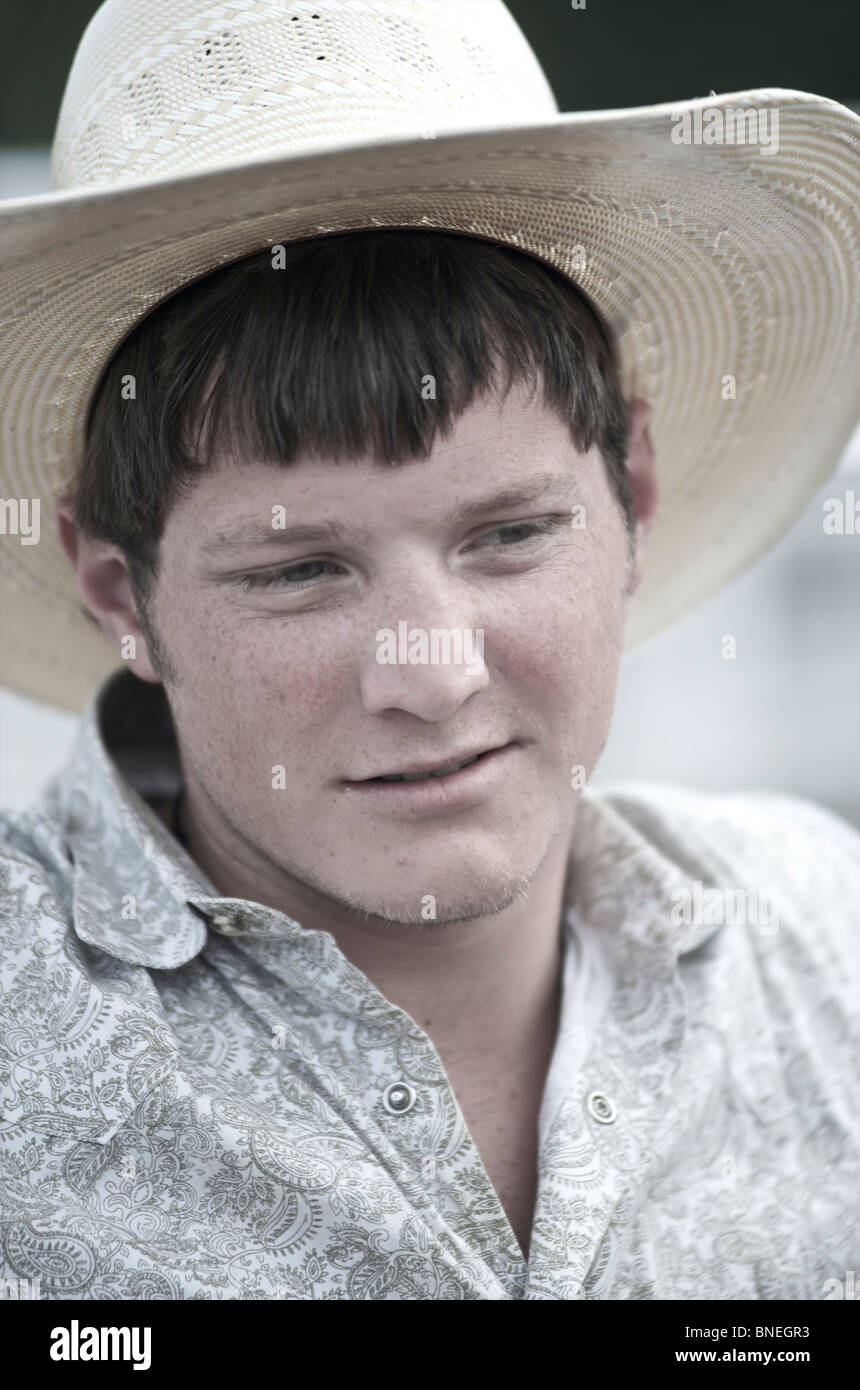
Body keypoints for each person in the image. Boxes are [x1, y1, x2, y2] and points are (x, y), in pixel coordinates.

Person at [0, 0, 858, 1301]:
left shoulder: (823, 933)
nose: (436, 672)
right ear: (120, 586)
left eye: (510, 535)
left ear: (631, 494)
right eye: (299, 569)